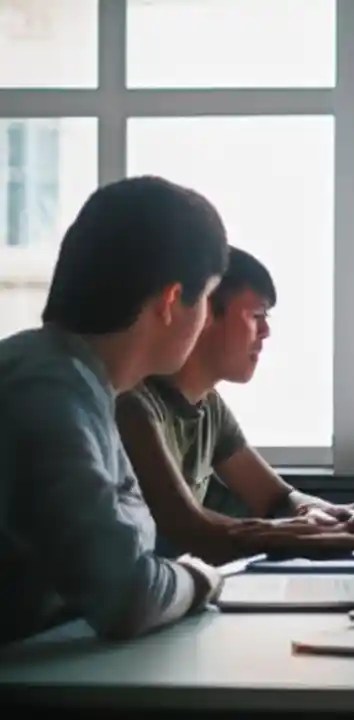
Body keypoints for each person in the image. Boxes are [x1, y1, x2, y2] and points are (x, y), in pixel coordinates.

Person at [0, 176, 228, 643]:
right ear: (170, 301)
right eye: (205, 297)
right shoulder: (49, 393)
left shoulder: (79, 382)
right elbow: (129, 595)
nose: (205, 316)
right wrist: (202, 578)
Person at [116, 247, 354, 565]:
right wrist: (309, 534)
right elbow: (191, 528)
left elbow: (276, 497)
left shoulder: (209, 405)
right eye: (257, 316)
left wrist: (331, 513)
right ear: (205, 312)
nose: (266, 332)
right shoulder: (133, 405)